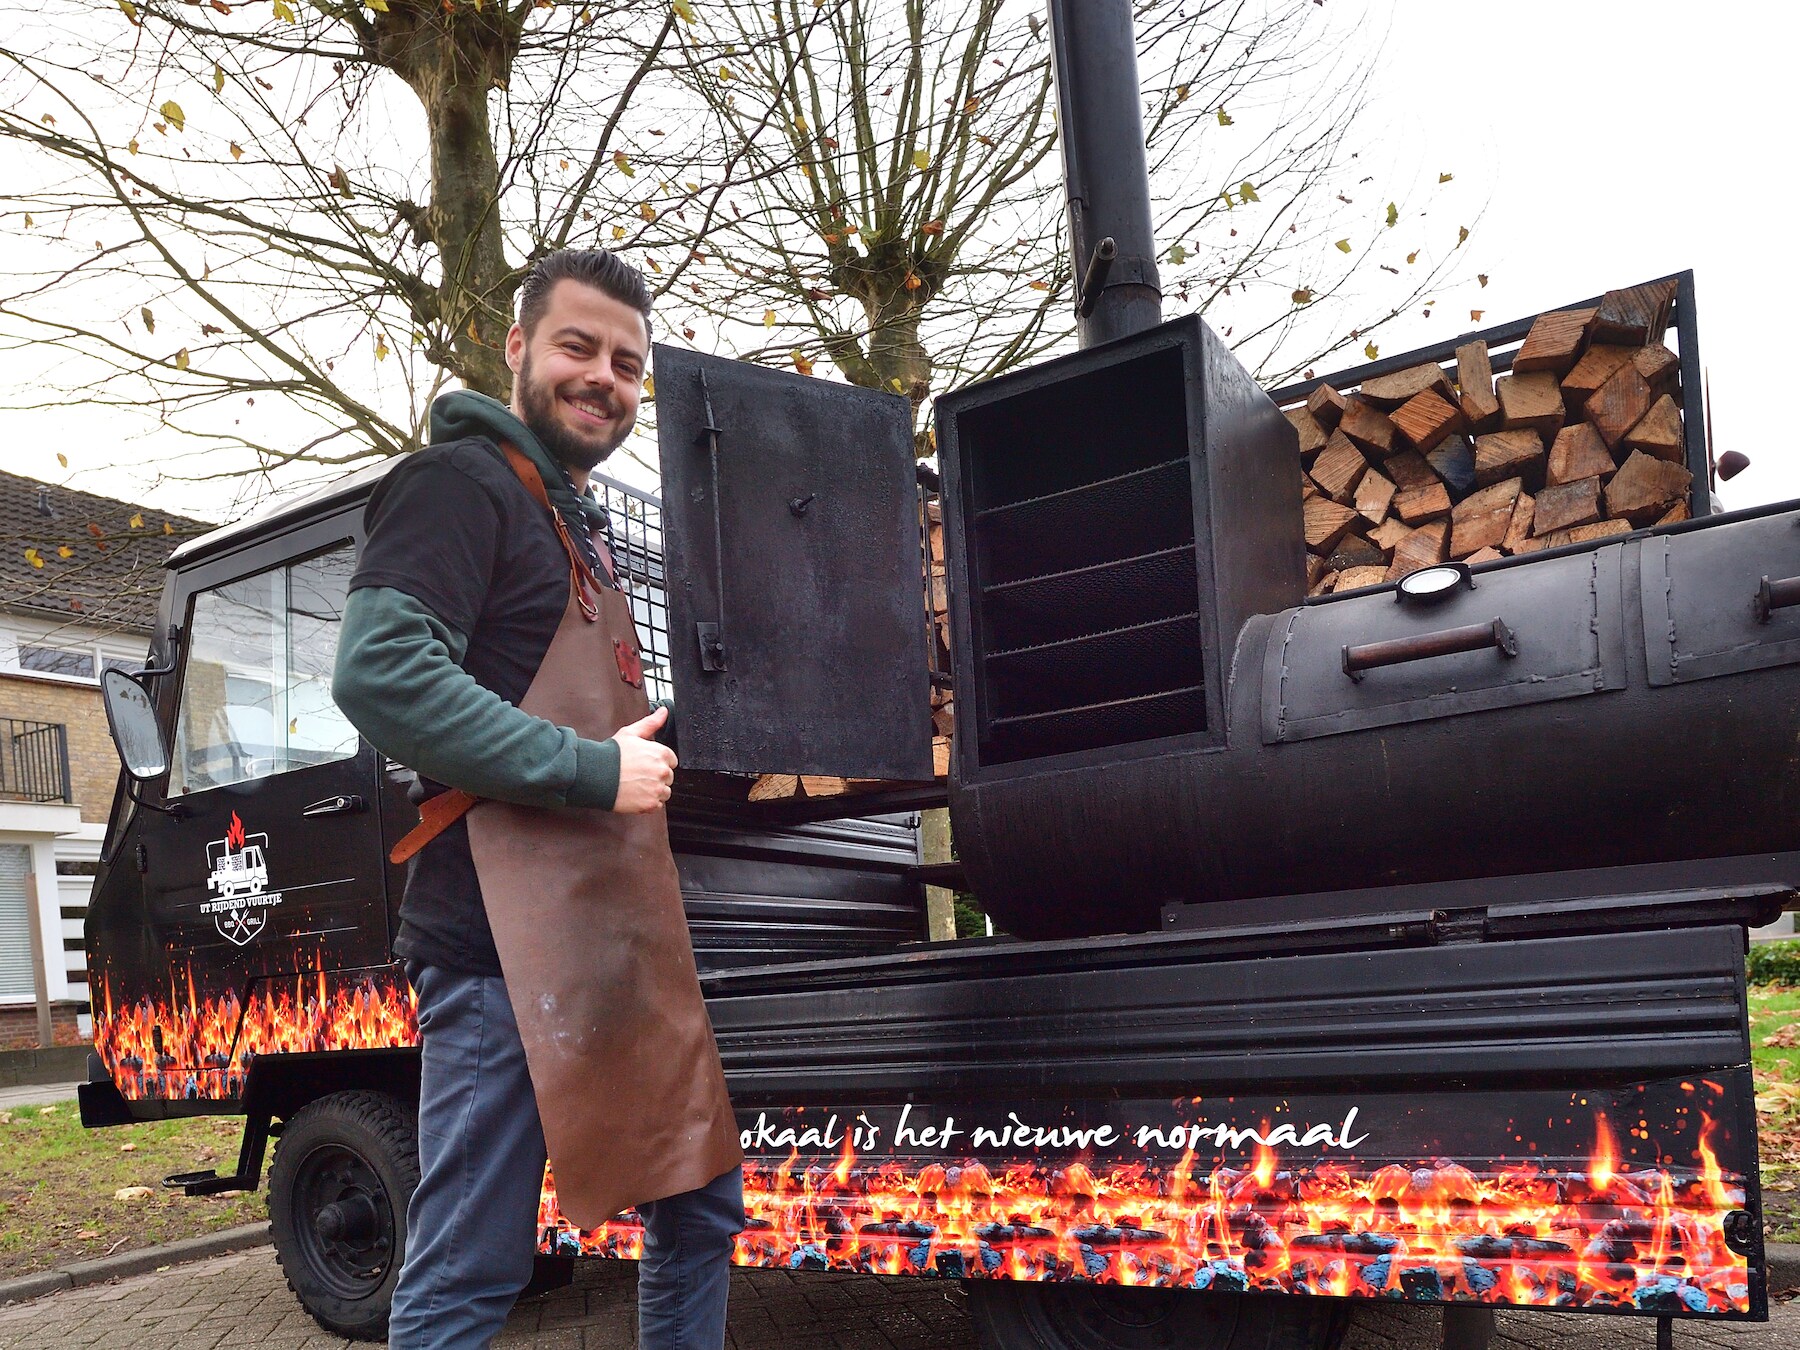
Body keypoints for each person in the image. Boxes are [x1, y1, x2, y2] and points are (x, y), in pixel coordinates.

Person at [332, 248, 745, 1350]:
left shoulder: (577, 527)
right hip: (494, 952)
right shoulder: (455, 486)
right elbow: (383, 675)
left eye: (627, 361)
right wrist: (592, 771)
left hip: (615, 940)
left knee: (700, 1207)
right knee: (474, 1262)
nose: (602, 376)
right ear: (516, 349)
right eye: (577, 345)